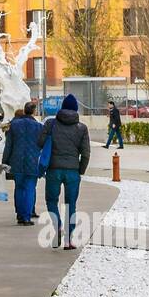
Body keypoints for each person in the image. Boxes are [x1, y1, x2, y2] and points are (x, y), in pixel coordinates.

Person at [37, 93, 90, 249]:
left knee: (51, 200)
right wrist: (80, 170)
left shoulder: (51, 124)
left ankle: (58, 225)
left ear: (62, 108)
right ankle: (68, 241)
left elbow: (40, 143)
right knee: (71, 204)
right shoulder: (82, 128)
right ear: (75, 109)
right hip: (73, 171)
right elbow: (86, 153)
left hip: (53, 169)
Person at [1, 104, 43, 225]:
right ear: (34, 112)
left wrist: (4, 162)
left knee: (19, 188)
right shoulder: (39, 127)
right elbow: (42, 145)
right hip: (33, 162)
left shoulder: (13, 126)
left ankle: (20, 215)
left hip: (16, 161)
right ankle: (27, 216)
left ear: (24, 110)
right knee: (30, 188)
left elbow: (8, 146)